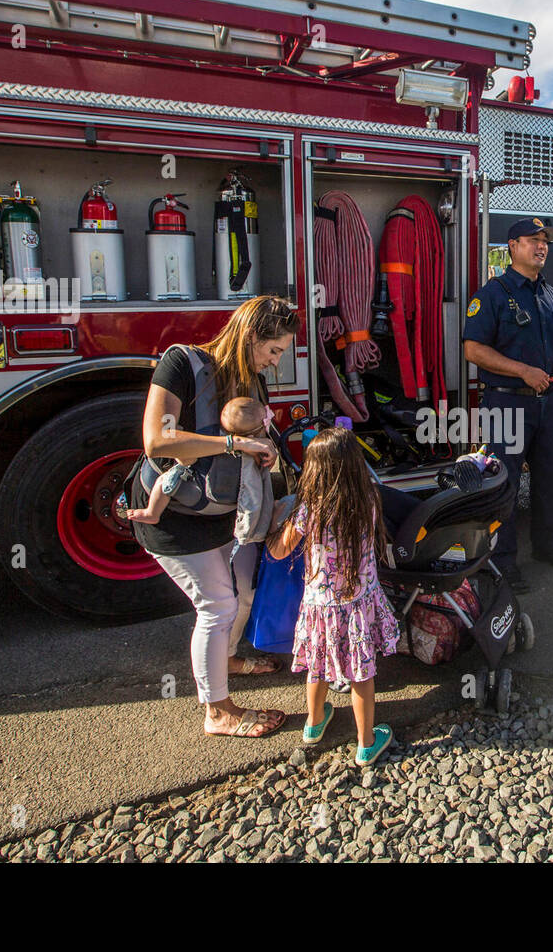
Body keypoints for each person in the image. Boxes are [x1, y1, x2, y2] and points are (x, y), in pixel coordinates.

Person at [132, 296, 298, 739]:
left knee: (244, 592)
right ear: (250, 337)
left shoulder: (251, 383)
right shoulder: (181, 363)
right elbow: (158, 441)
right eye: (274, 350)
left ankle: (226, 661)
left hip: (222, 510)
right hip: (174, 513)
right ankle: (217, 710)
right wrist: (233, 445)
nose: (275, 362)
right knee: (218, 604)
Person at [268, 427, 401, 767]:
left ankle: (313, 725)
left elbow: (281, 551)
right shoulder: (369, 498)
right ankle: (366, 743)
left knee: (318, 666)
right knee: (361, 672)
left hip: (320, 607)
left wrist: (271, 530)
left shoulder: (309, 509)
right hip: (359, 603)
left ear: (314, 470)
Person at [463, 217, 553, 594]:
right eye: (533, 240)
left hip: (547, 404)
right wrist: (523, 371)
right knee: (505, 485)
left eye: (545, 240)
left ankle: (548, 547)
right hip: (507, 404)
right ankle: (503, 561)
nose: (541, 246)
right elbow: (473, 349)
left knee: (550, 478)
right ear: (513, 246)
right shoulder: (492, 294)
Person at [126, 397, 267, 525]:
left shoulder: (210, 437)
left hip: (206, 496)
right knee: (168, 480)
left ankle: (152, 512)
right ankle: (152, 513)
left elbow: (188, 457)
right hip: (222, 500)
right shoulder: (253, 448)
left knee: (163, 481)